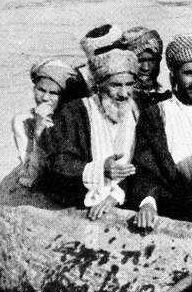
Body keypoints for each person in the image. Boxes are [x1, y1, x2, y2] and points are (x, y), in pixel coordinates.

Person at [132, 35, 192, 232]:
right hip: (174, 206)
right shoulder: (155, 114)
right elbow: (146, 167)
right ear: (173, 74)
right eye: (189, 73)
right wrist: (148, 202)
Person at [43, 48, 140, 218]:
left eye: (129, 84)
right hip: (80, 199)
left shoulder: (135, 112)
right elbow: (58, 163)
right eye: (116, 85)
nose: (124, 93)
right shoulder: (73, 112)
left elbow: (143, 165)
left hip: (122, 198)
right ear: (99, 86)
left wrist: (114, 196)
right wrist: (100, 169)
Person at [11, 58, 77, 189]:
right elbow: (30, 174)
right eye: (41, 90)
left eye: (53, 93)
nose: (45, 98)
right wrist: (38, 129)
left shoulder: (73, 118)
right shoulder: (22, 120)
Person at [119, 28, 169, 109]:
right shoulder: (117, 100)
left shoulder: (167, 99)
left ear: (158, 61)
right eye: (140, 61)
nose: (145, 68)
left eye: (151, 60)